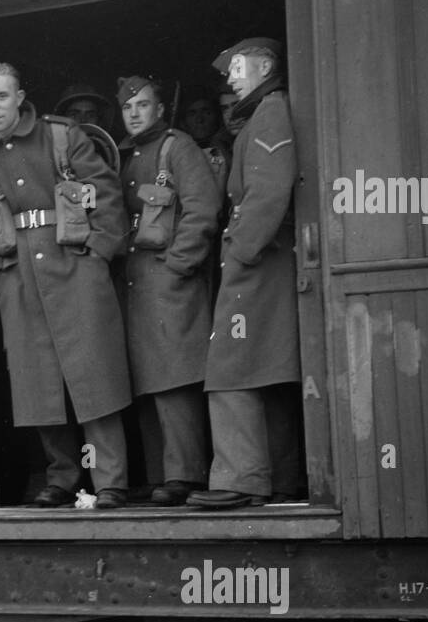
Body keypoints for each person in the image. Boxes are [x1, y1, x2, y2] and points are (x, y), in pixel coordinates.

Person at [0, 61, 132, 509]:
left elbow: (104, 193)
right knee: (39, 380)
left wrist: (99, 254)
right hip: (19, 272)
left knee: (93, 371)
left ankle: (111, 480)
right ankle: (62, 477)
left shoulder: (61, 135)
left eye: (2, 97)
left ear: (20, 97)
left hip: (74, 263)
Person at [188, 39, 305, 509]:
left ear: (266, 66)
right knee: (269, 370)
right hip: (266, 261)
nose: (231, 78)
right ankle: (281, 480)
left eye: (238, 68)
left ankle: (239, 479)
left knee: (229, 368)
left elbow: (269, 190)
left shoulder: (270, 111)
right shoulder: (263, 110)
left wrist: (240, 250)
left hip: (255, 260)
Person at [115, 75, 219, 505]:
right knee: (146, 381)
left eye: (143, 105)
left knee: (175, 377)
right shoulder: (122, 156)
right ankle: (161, 475)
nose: (135, 113)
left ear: (160, 109)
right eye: (128, 108)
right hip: (133, 282)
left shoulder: (178, 147)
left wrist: (178, 265)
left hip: (169, 279)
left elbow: (202, 209)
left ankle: (185, 473)